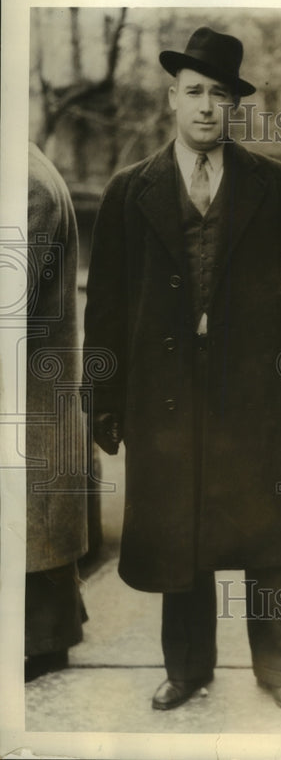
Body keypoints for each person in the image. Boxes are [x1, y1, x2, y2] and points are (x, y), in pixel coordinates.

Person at [83, 26, 281, 713]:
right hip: (165, 397)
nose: (206, 106)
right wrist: (105, 397)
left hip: (256, 392)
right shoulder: (130, 190)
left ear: (233, 104)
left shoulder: (275, 186)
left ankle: (280, 671)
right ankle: (186, 669)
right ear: (172, 100)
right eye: (193, 92)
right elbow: (106, 306)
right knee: (179, 533)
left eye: (219, 94)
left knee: (265, 537)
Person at [26, 142, 88, 681]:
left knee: (37, 526)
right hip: (29, 398)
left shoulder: (29, 184)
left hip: (31, 398)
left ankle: (43, 643)